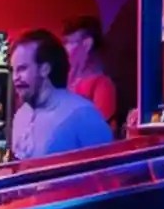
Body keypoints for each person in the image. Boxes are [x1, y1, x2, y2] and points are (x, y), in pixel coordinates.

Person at [9, 29, 113, 160]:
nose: (15, 78)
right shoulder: (21, 116)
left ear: (44, 69)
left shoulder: (83, 114)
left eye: (22, 69)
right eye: (13, 70)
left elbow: (107, 172)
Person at [63, 16, 119, 131]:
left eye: (68, 43)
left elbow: (99, 133)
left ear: (87, 44)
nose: (64, 48)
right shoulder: (63, 84)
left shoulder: (102, 85)